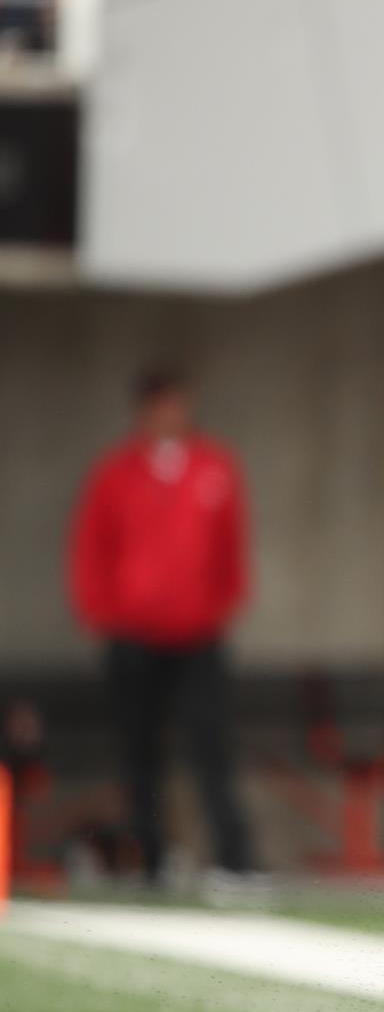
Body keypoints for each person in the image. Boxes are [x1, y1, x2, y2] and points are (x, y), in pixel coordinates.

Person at [68, 367, 259, 895]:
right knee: (139, 752)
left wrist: (222, 603)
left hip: (198, 634)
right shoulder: (115, 474)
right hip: (132, 635)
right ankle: (151, 859)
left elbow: (231, 547)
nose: (171, 415)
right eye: (161, 406)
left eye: (178, 404)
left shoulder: (213, 467)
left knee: (212, 747)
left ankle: (233, 860)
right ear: (143, 411)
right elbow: (92, 549)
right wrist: (102, 611)